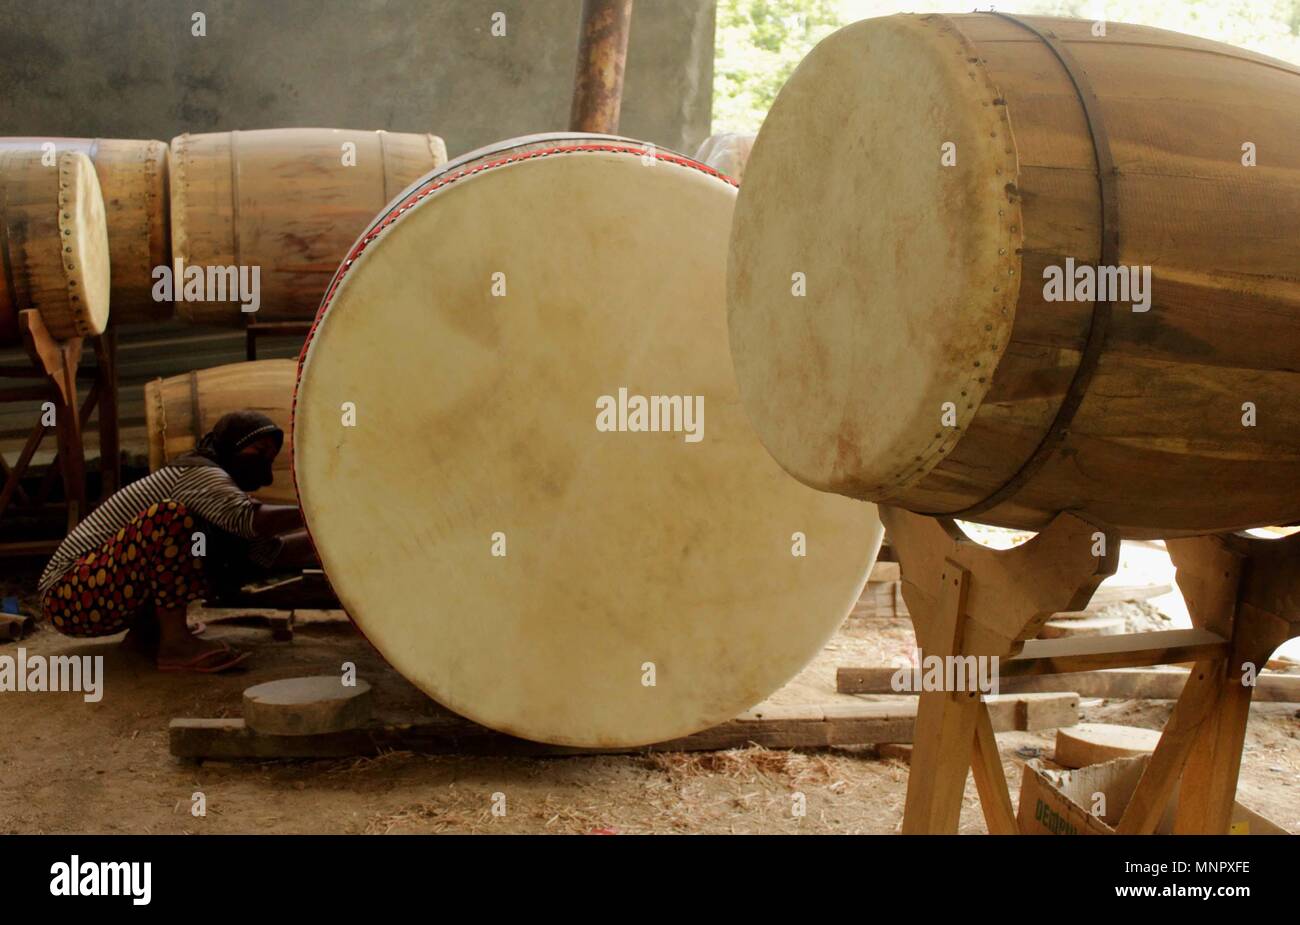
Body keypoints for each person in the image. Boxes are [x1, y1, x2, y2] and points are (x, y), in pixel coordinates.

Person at [37, 410, 314, 672]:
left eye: (270, 455)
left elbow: (270, 552)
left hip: (91, 596)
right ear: (232, 445)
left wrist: (334, 535)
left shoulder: (221, 493)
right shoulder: (198, 473)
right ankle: (176, 646)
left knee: (220, 551)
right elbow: (250, 519)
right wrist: (317, 510)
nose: (264, 460)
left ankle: (147, 634)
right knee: (169, 517)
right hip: (67, 597)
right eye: (258, 450)